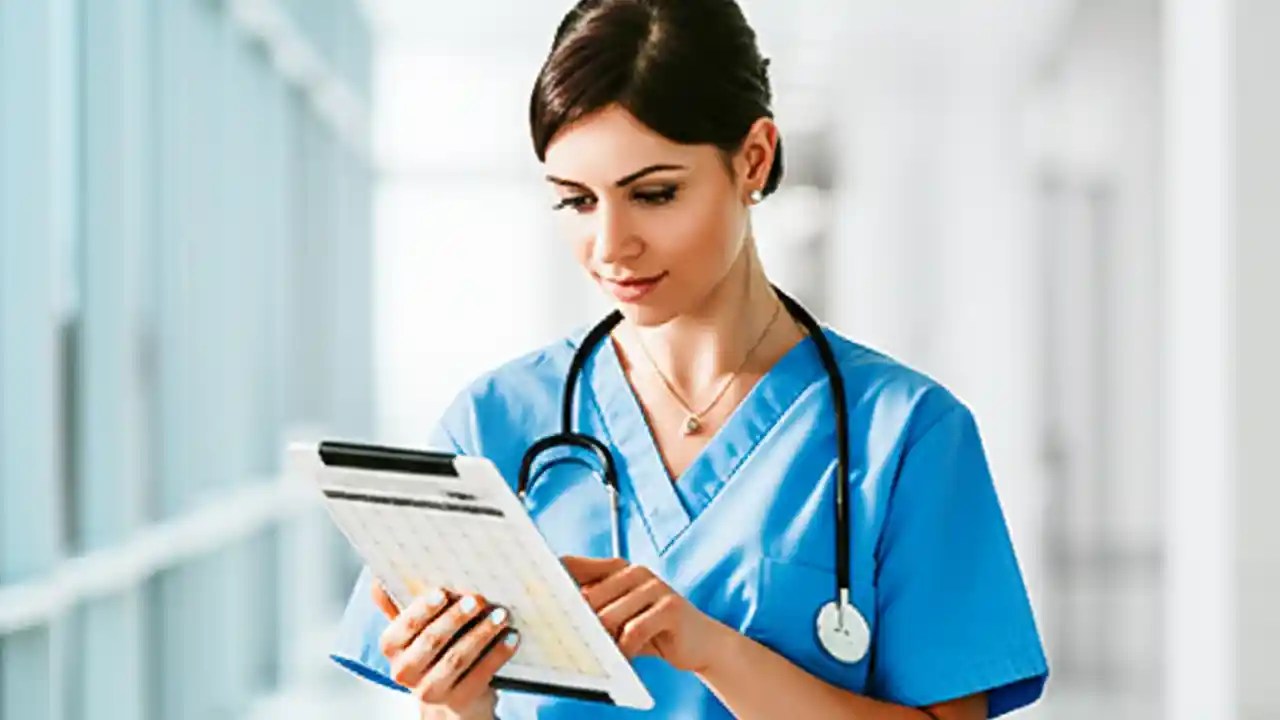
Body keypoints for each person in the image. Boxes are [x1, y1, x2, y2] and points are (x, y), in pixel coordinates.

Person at [331, 1, 1049, 718]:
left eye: (654, 194)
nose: (611, 245)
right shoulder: (496, 423)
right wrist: (456, 702)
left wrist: (712, 649)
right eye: (577, 202)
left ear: (754, 160)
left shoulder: (905, 434)